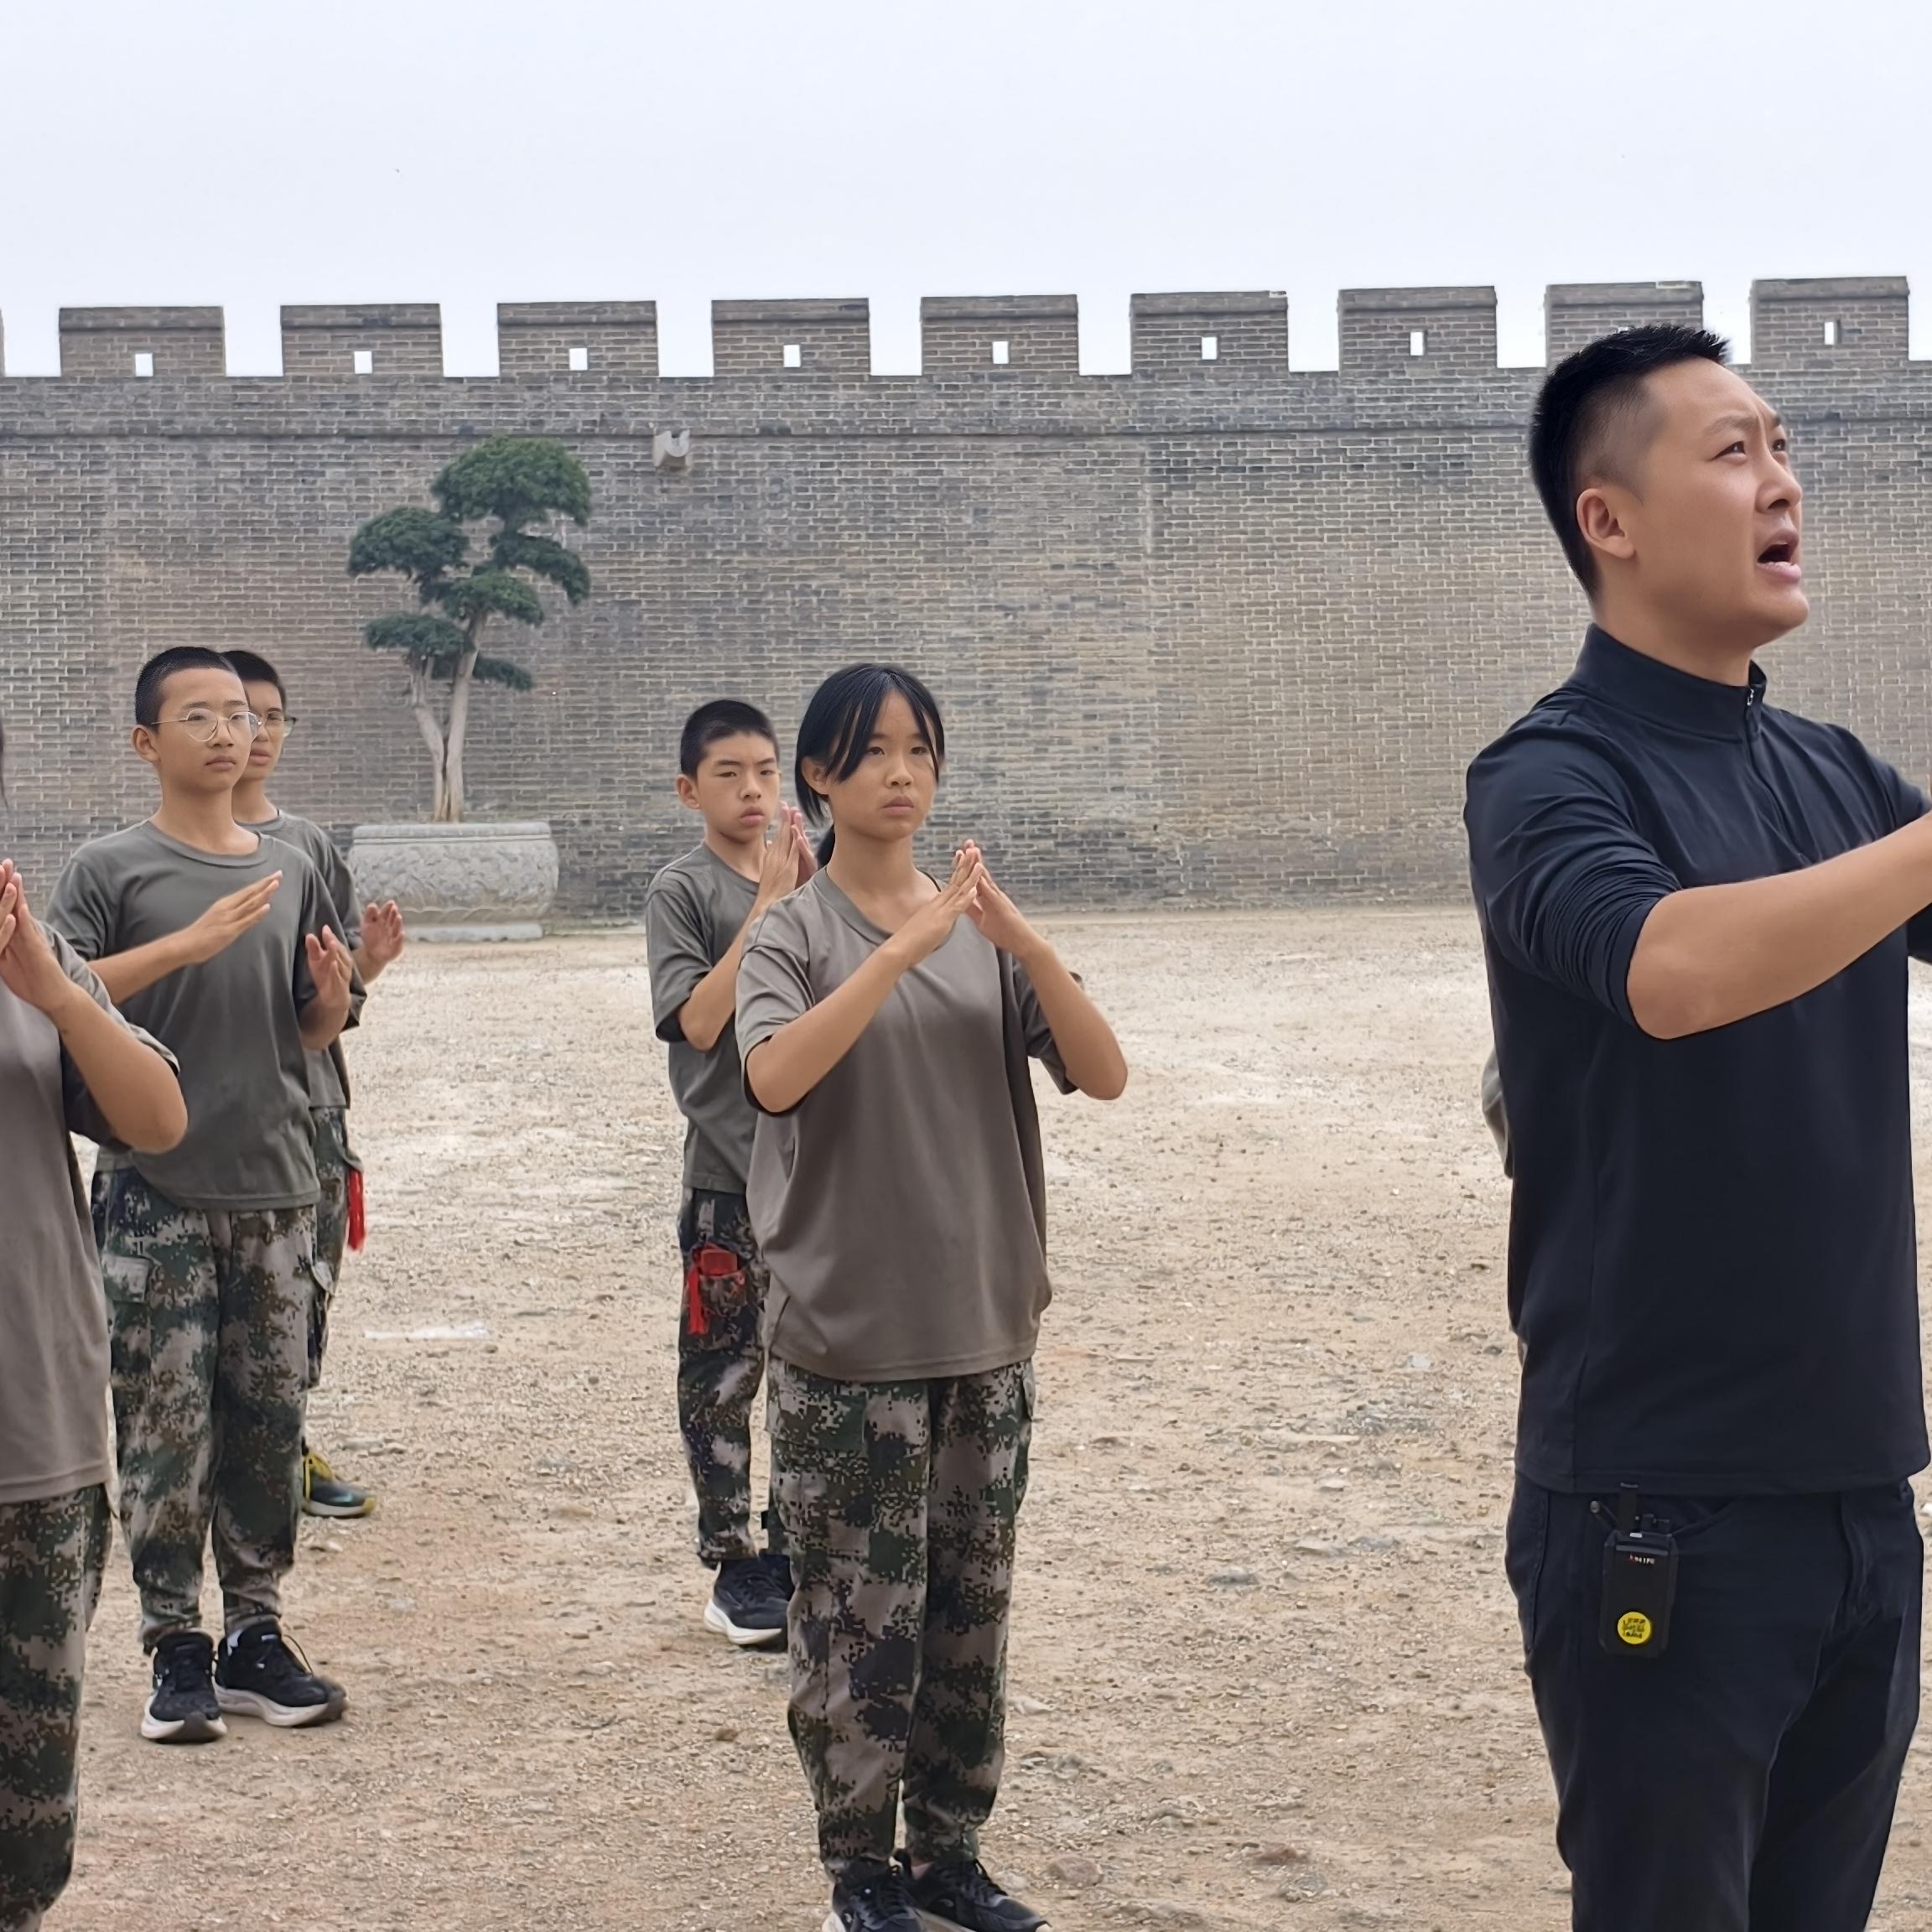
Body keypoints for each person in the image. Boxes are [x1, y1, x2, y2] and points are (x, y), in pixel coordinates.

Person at [1464, 324, 1931, 1930]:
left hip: (1858, 1493)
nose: (1780, 480)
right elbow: (1667, 969)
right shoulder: (1544, 776)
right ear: (1605, 517)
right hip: (1654, 1510)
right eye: (1732, 451)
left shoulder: (1831, 775)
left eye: (1782, 446)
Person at [736, 664, 1128, 1932]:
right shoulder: (791, 936)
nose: (901, 774)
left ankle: (945, 1852)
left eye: (920, 750)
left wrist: (1026, 947)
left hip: (984, 1325)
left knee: (970, 1611)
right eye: (872, 752)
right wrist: (899, 950)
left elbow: (1105, 1074)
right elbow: (774, 1077)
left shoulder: (981, 932)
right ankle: (858, 1868)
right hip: (847, 1338)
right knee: (859, 1614)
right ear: (819, 776)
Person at [48, 647, 361, 1745]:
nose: (230, 733)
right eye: (199, 716)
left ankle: (256, 1634)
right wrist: (185, 944)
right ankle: (174, 1644)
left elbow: (309, 1029)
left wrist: (334, 998)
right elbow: (53, 993)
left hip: (280, 1183)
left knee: (268, 1422)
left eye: (240, 715)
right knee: (164, 1423)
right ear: (147, 743)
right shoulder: (109, 869)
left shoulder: (297, 861)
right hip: (155, 1189)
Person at [0, 719, 188, 1932]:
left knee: (20, 1844)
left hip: (33, 1438)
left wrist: (59, 994)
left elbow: (157, 1120)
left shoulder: (31, 960)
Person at [645, 699, 815, 1647]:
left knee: (812, 1364)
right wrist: (767, 908)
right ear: (689, 790)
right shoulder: (684, 891)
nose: (752, 791)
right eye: (728, 775)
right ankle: (732, 1560)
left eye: (764, 771)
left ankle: (797, 1545)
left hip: (815, 1171)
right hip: (727, 1176)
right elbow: (700, 1022)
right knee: (722, 1368)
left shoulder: (813, 876)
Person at [226, 648, 407, 1520]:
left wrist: (367, 964)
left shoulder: (307, 848)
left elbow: (327, 995)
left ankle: (284, 1444)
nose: (255, 733)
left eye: (271, 716)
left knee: (305, 1281)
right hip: (212, 1108)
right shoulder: (147, 855)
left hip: (311, 1102)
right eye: (236, 715)